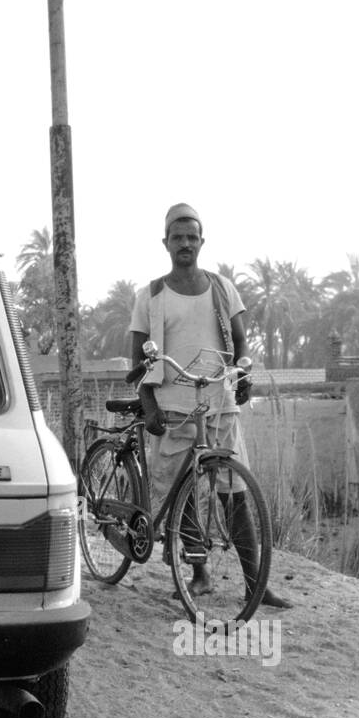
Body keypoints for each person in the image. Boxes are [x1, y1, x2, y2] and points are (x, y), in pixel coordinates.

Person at [127, 202, 292, 608]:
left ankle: (257, 584)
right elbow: (137, 357)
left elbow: (240, 342)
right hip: (174, 409)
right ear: (165, 243)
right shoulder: (150, 295)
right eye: (178, 237)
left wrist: (243, 376)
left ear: (202, 241)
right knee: (183, 496)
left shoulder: (221, 287)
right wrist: (147, 403)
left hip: (219, 404)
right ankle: (199, 574)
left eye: (192, 236)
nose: (185, 243)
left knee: (234, 494)